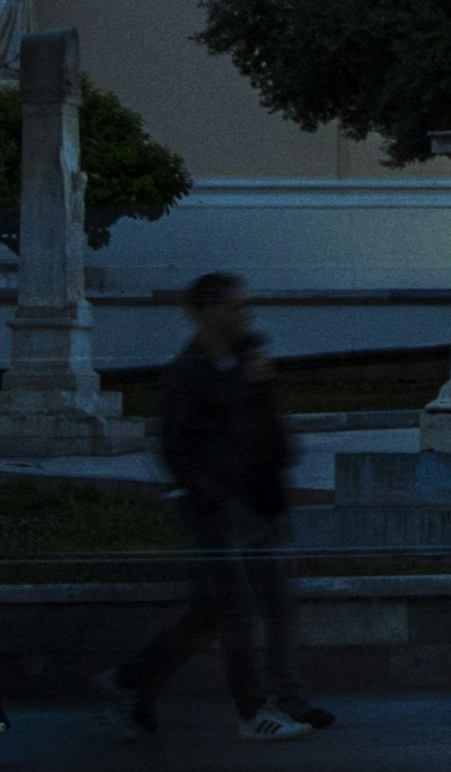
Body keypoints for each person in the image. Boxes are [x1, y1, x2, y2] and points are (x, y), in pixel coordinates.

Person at [110, 276, 330, 739]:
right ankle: (251, 711)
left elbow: (268, 437)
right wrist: (213, 498)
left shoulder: (241, 368)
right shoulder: (187, 374)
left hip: (256, 507)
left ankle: (132, 684)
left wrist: (263, 387)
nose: (246, 313)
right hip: (214, 513)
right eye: (236, 305)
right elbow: (175, 448)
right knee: (236, 608)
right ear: (209, 310)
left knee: (244, 608)